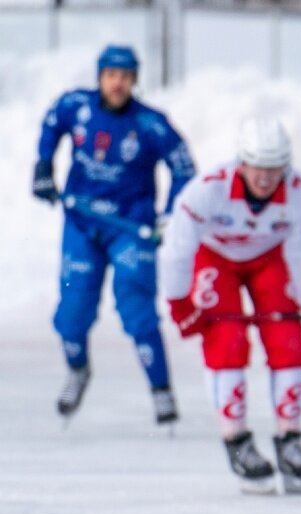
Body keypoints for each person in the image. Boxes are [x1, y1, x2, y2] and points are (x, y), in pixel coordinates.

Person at [158, 117, 301, 495]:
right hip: (215, 256)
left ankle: (290, 439)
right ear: (241, 163)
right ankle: (237, 440)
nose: (265, 177)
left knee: (289, 339)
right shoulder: (204, 192)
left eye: (274, 168)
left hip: (268, 258)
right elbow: (178, 252)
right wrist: (180, 303)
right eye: (257, 167)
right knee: (226, 340)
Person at [33, 44, 196, 425]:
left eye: (125, 76)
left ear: (134, 80)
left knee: (137, 310)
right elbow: (52, 122)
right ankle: (77, 371)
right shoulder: (76, 106)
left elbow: (184, 169)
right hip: (81, 225)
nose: (117, 83)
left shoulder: (151, 124)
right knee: (72, 312)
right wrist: (43, 167)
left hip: (131, 230)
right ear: (100, 77)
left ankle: (161, 390)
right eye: (110, 75)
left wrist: (169, 216)